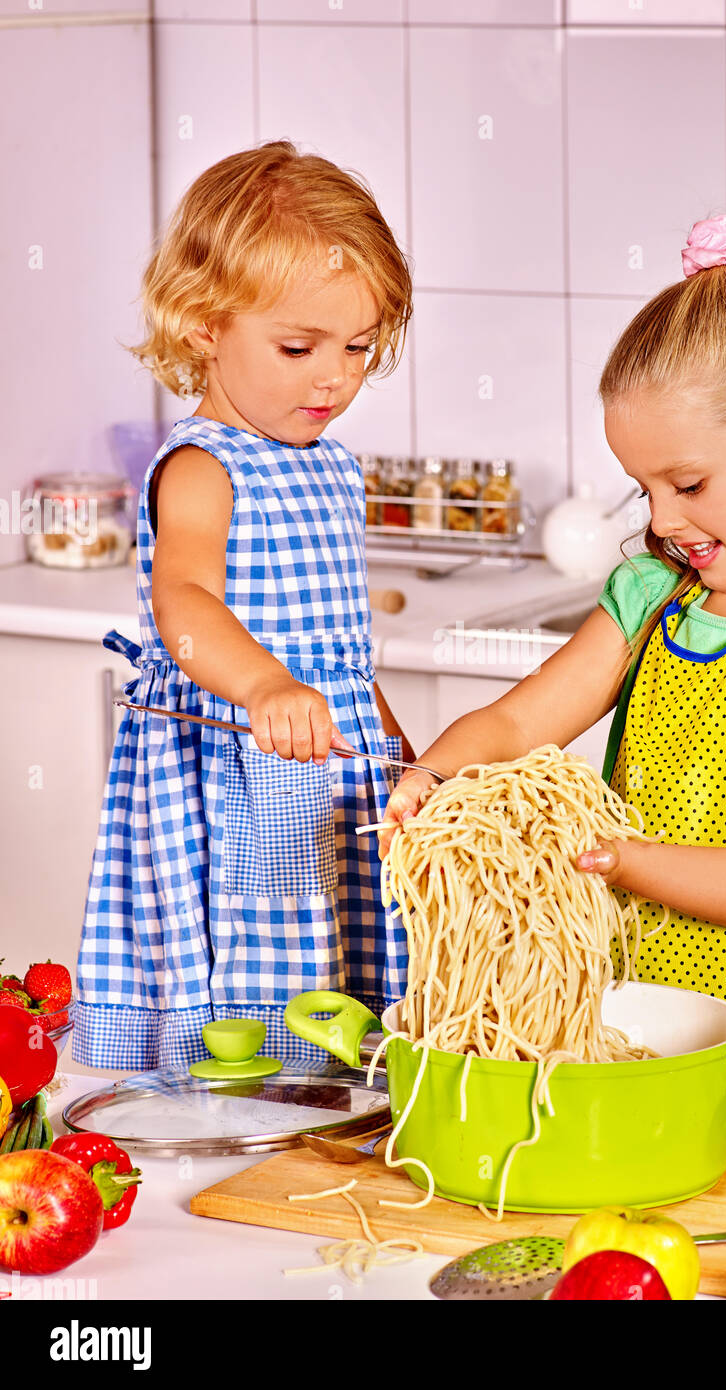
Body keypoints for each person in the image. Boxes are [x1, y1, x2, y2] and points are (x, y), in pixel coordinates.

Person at [381, 215, 726, 1168]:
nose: (664, 520)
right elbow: (520, 719)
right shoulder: (649, 599)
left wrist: (607, 857)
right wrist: (434, 776)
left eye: (689, 483)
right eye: (645, 492)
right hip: (636, 1035)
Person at [74, 141, 415, 1069]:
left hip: (325, 756)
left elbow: (343, 655)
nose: (333, 378)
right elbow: (181, 600)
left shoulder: (329, 464)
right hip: (239, 764)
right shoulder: (202, 466)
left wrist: (392, 746)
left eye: (359, 348)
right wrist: (263, 687)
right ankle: (243, 1107)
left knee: (341, 957)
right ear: (200, 324)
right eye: (299, 347)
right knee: (257, 961)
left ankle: (319, 1118)